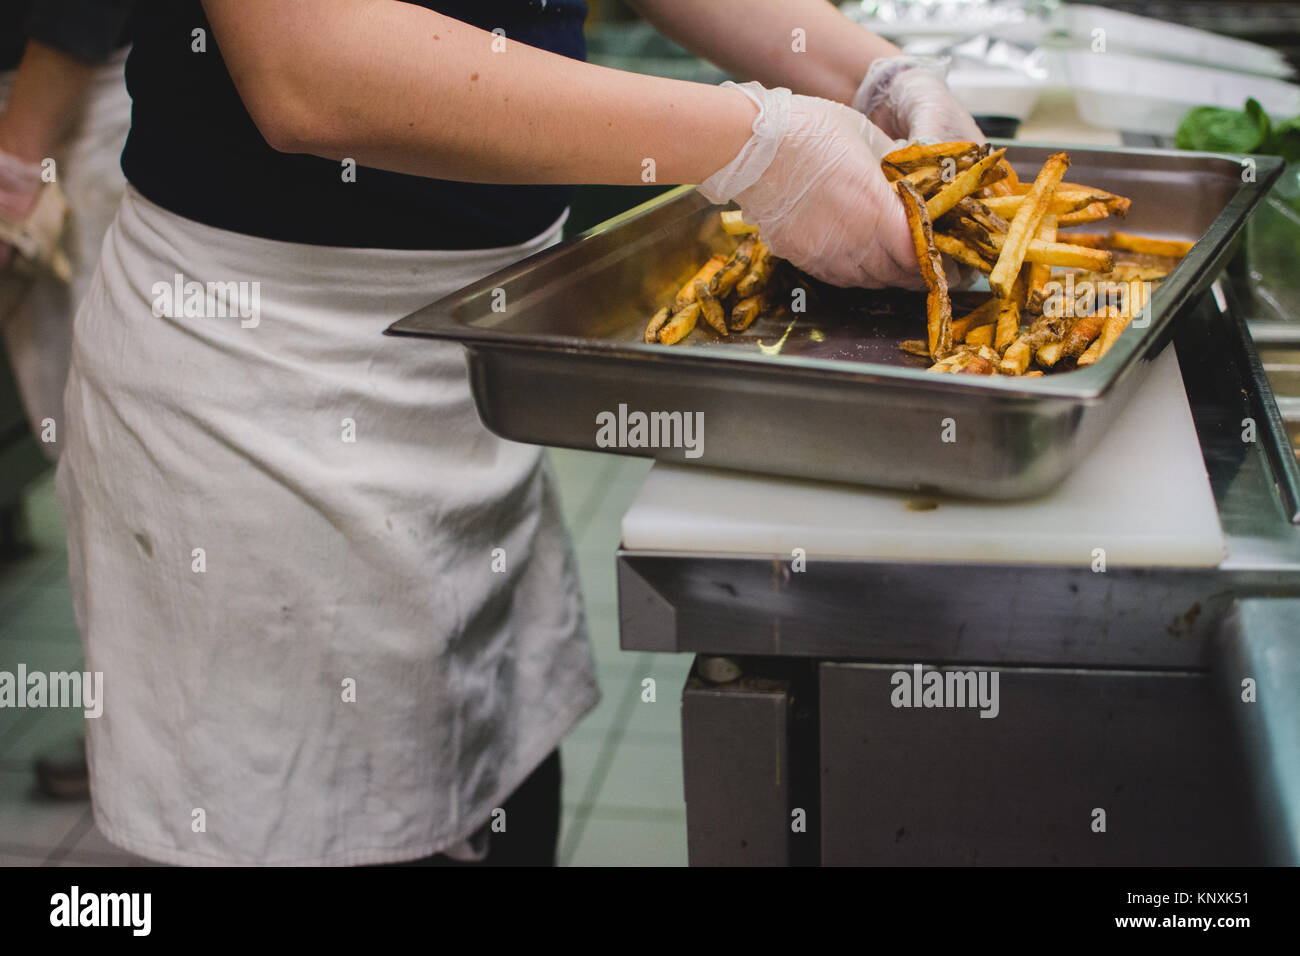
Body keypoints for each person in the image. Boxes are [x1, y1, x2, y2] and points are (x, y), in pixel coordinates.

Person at [56, 0, 982, 866]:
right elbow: (310, 64)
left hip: (482, 367)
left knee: (501, 808)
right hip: (269, 381)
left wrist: (875, 77)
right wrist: (754, 142)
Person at [0, 0, 135, 799]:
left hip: (65, 113)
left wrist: (15, 172)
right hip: (44, 117)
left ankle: (145, 743)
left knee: (106, 468)